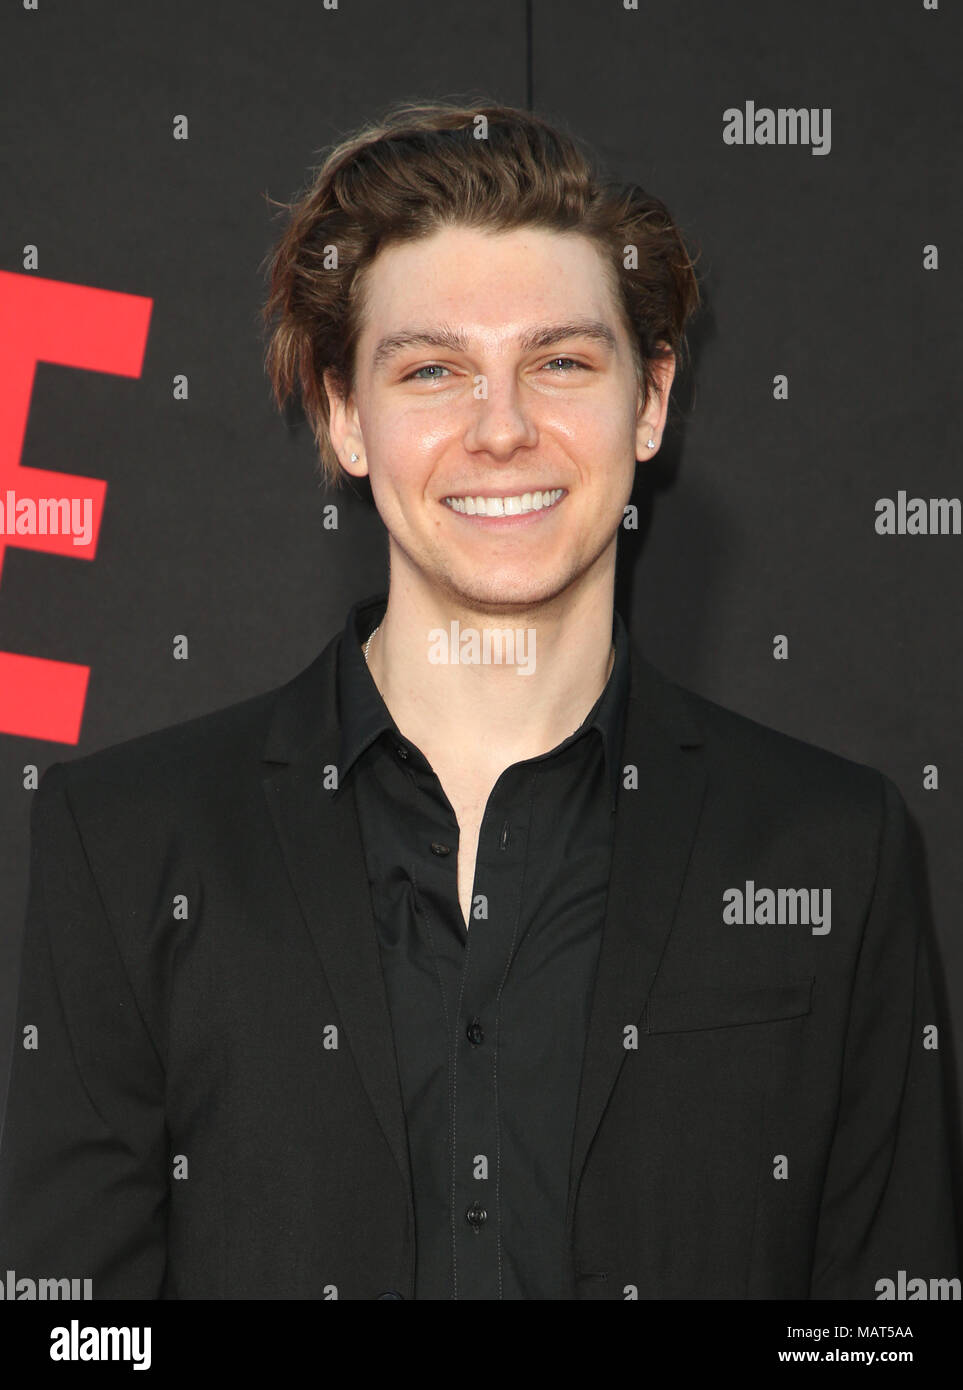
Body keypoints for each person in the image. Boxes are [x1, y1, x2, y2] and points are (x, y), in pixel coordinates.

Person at [0, 100, 958, 1301]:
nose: (501, 429)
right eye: (433, 371)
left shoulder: (835, 849)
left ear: (651, 401)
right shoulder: (130, 844)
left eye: (560, 363)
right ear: (345, 416)